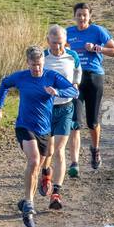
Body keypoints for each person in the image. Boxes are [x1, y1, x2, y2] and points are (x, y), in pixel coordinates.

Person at [0, 46, 79, 227]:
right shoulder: (21, 77)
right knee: (33, 161)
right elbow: (4, 84)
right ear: (28, 63)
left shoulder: (51, 76)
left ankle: (26, 201)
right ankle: (29, 206)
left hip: (45, 130)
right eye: (33, 65)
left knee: (40, 166)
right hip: (24, 126)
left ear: (43, 63)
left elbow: (74, 92)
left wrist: (58, 93)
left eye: (39, 65)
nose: (37, 69)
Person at [65, 2, 114, 172]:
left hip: (94, 77)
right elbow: (58, 50)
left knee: (92, 121)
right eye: (79, 14)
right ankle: (74, 163)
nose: (81, 18)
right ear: (74, 16)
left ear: (89, 16)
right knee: (75, 122)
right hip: (75, 78)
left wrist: (97, 48)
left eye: (85, 15)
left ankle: (95, 150)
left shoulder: (98, 31)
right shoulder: (68, 32)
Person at [41, 25, 82, 210]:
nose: (57, 47)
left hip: (66, 107)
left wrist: (75, 83)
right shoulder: (42, 57)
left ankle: (56, 193)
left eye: (60, 43)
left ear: (65, 41)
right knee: (47, 151)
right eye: (53, 43)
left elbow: (78, 70)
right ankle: (45, 174)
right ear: (47, 40)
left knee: (59, 150)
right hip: (46, 109)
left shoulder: (71, 56)